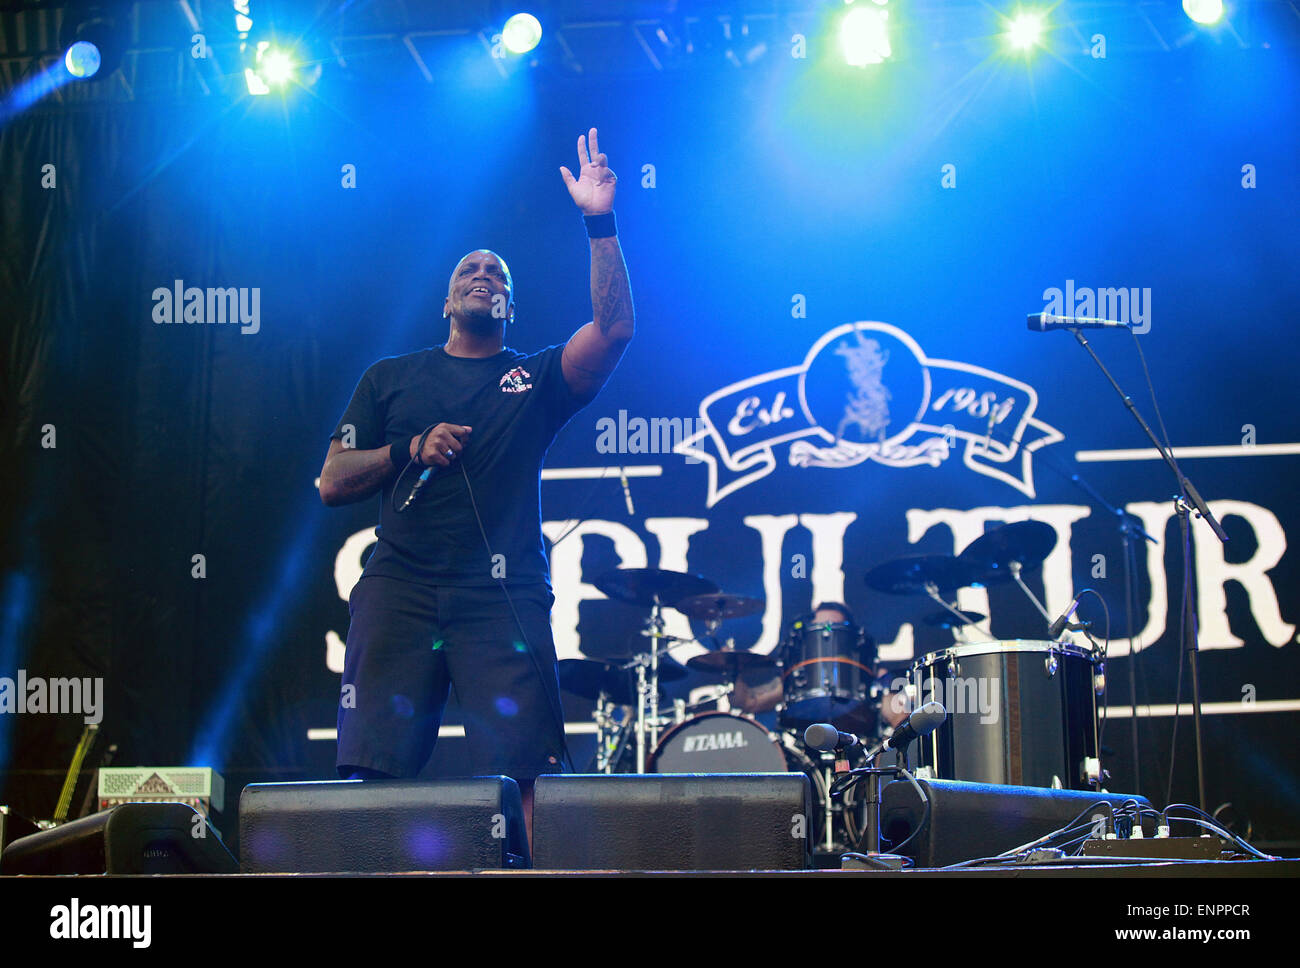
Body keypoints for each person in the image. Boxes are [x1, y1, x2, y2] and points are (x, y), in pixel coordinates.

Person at [318, 128, 632, 845]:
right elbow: (332, 483)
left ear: (511, 308)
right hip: (399, 586)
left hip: (503, 593)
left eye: (498, 273)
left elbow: (613, 332)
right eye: (470, 269)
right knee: (372, 771)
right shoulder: (389, 378)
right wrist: (407, 448)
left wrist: (599, 221)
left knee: (526, 776)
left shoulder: (537, 378)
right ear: (446, 301)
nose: (484, 273)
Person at [733, 602, 911, 730]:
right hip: (811, 751)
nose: (826, 633)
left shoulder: (872, 677)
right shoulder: (799, 681)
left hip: (857, 751)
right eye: (819, 627)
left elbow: (902, 720)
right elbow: (749, 703)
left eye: (832, 627)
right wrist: (733, 668)